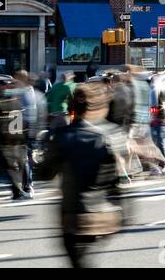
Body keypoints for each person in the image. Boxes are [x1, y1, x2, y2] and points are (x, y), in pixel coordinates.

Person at [36, 84, 123, 268]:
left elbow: (45, 173)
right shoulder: (110, 134)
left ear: (72, 107)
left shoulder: (63, 136)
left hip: (74, 215)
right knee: (84, 259)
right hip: (104, 215)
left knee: (77, 258)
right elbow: (118, 178)